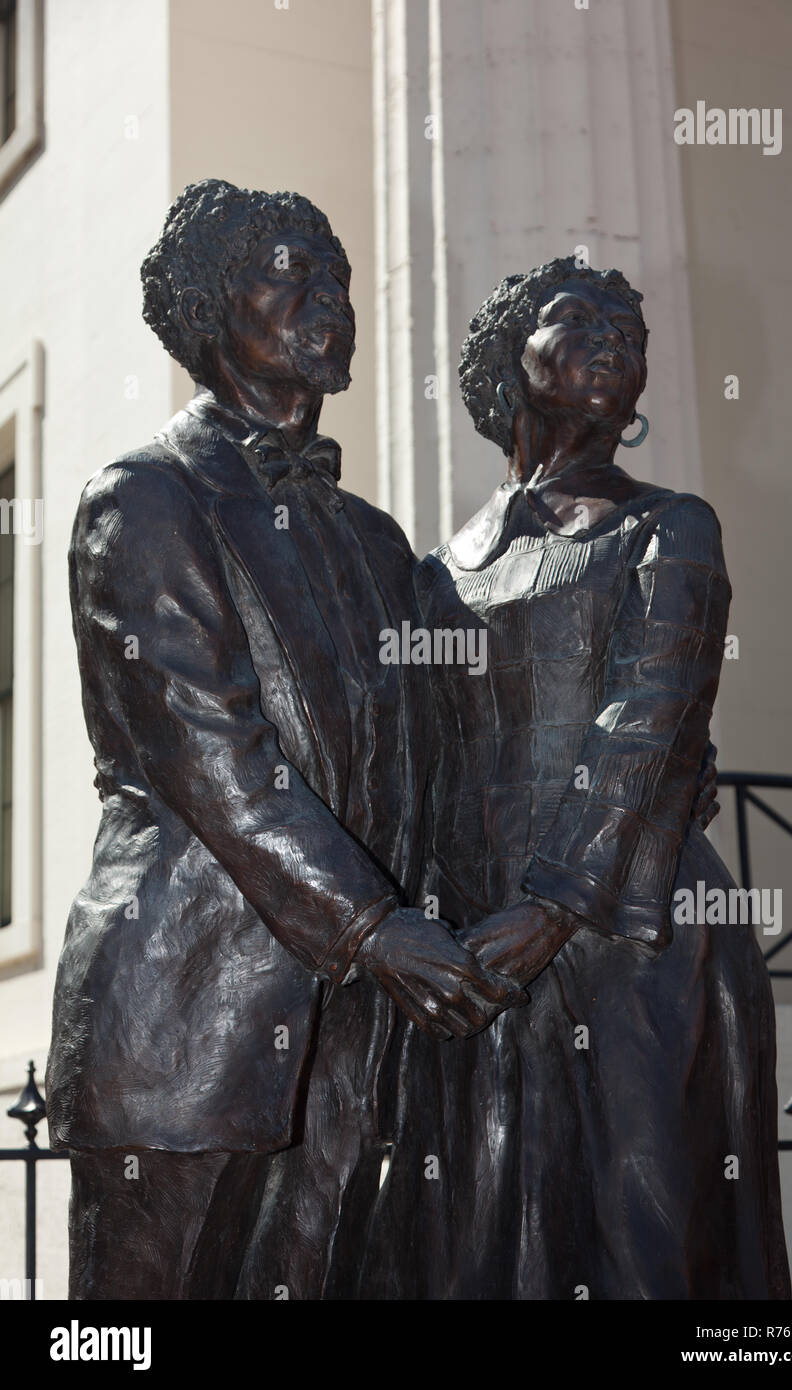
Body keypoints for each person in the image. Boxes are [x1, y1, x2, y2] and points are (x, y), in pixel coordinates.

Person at [45, 180, 521, 1300]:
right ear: (211, 313)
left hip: (351, 1031)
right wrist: (371, 927)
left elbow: (438, 745)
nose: (327, 296)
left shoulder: (372, 539)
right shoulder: (146, 500)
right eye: (284, 270)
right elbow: (213, 753)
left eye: (337, 272)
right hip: (182, 1018)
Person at [359, 259, 791, 1300]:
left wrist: (550, 907)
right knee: (479, 1236)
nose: (613, 341)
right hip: (477, 940)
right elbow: (411, 763)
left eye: (629, 333)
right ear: (508, 357)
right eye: (577, 319)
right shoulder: (432, 570)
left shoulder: (668, 527)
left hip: (628, 929)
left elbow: (647, 725)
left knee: (640, 1233)